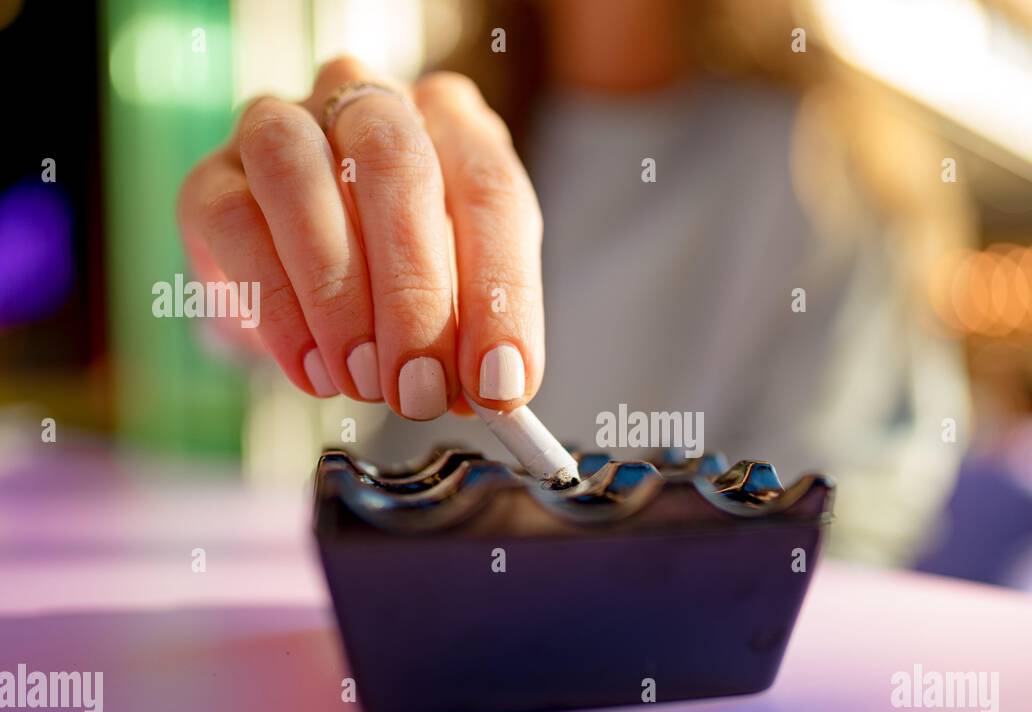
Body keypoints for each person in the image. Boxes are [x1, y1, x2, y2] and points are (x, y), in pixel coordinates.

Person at [177, 0, 970, 563]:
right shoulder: (429, 119)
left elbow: (855, 509)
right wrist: (253, 257)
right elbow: (243, 340)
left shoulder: (831, 165)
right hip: (420, 693)